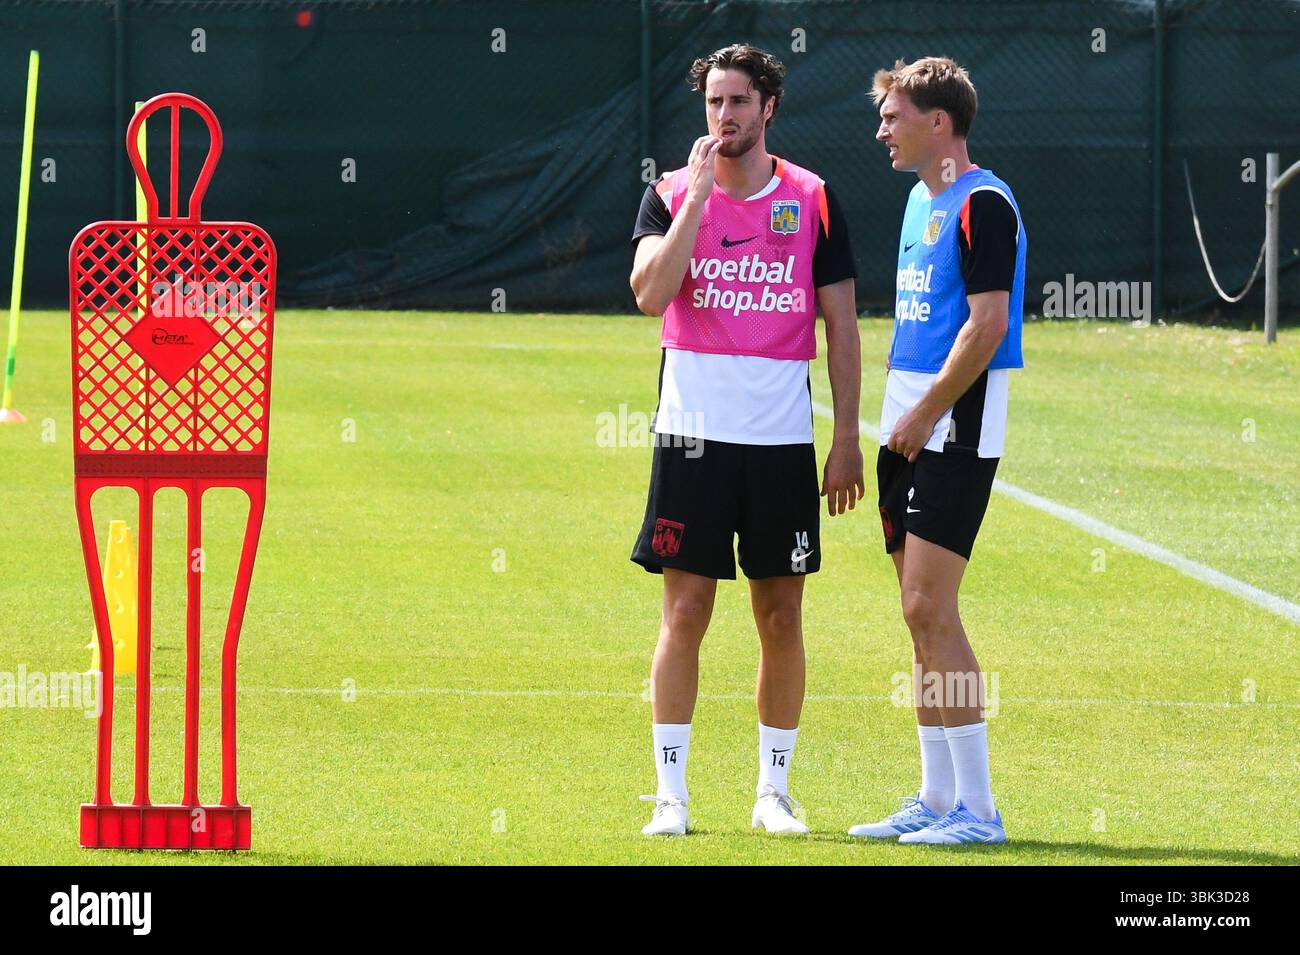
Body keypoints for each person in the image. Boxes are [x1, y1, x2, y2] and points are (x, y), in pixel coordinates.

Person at [629, 43, 862, 836]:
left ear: (768, 108)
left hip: (778, 444)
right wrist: (696, 196)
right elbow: (649, 293)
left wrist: (845, 438)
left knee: (781, 616)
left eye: (738, 102)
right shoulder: (666, 195)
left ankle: (773, 790)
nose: (723, 117)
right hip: (691, 441)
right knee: (685, 609)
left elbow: (841, 324)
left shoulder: (812, 198)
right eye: (713, 103)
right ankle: (671, 795)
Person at [848, 57, 1025, 845]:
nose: (882, 129)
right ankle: (936, 794)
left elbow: (987, 325)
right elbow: (928, 312)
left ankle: (980, 812)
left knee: (931, 606)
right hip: (907, 422)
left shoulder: (983, 202)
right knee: (915, 614)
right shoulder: (923, 198)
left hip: (950, 426)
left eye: (894, 116)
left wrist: (923, 412)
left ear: (939, 123)